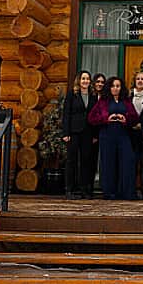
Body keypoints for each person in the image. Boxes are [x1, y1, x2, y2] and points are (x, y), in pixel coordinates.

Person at [88, 76, 139, 200]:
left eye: (118, 86)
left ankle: (126, 192)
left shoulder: (126, 101)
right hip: (107, 135)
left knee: (128, 161)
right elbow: (91, 118)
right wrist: (106, 119)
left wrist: (125, 118)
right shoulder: (103, 101)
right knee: (108, 163)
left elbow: (135, 117)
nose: (115, 88)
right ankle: (110, 192)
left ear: (121, 88)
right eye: (113, 86)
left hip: (123, 134)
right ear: (109, 88)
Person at [60, 70, 96, 199]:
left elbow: (94, 115)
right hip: (73, 132)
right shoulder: (72, 94)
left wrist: (94, 135)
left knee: (86, 161)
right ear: (79, 81)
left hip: (88, 132)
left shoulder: (93, 95)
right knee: (71, 161)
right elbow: (66, 114)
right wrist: (66, 132)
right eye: (83, 79)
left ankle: (84, 189)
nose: (85, 81)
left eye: (87, 79)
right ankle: (69, 189)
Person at [129, 71, 143, 198]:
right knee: (131, 162)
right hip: (131, 134)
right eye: (138, 79)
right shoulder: (129, 95)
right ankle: (131, 189)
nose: (140, 81)